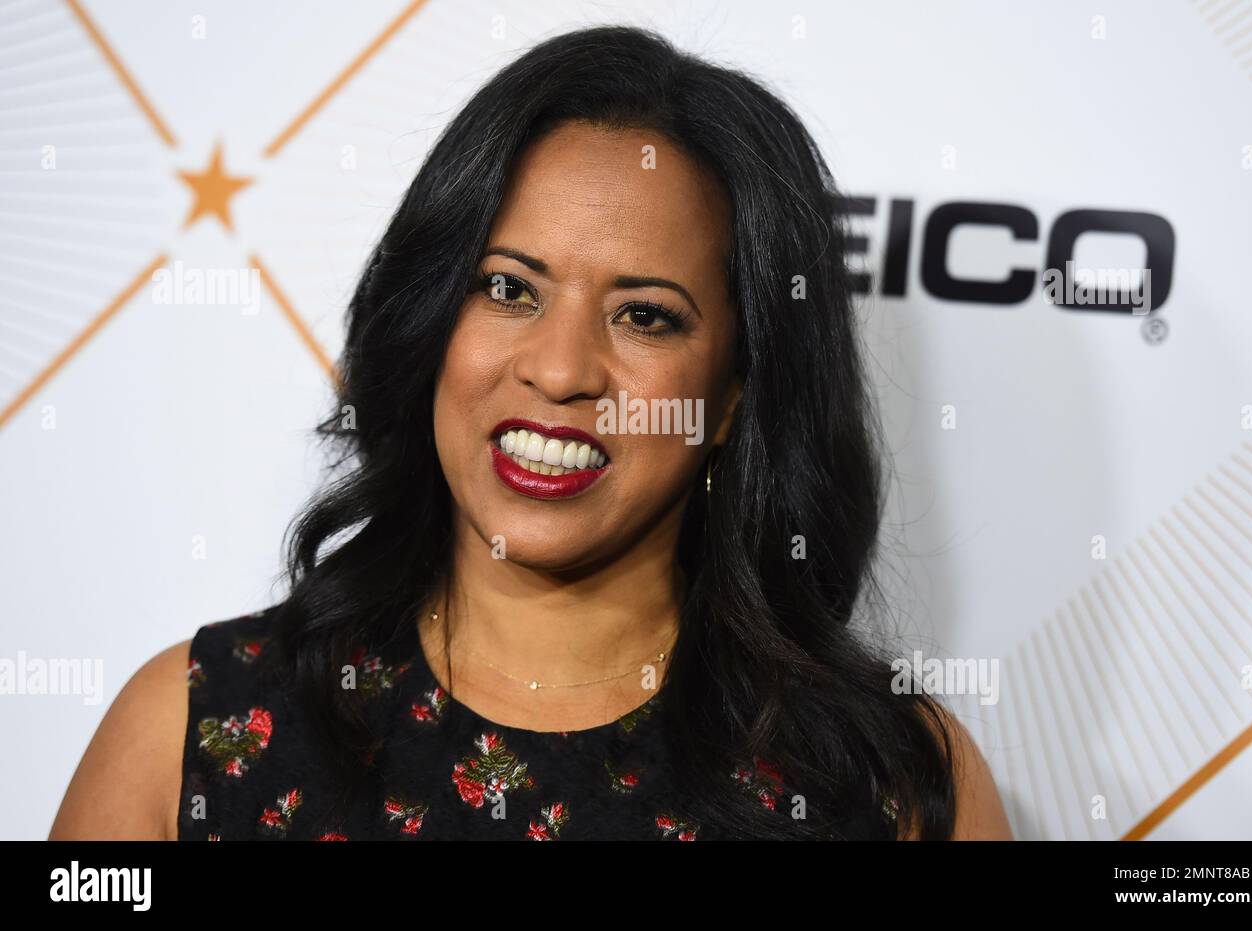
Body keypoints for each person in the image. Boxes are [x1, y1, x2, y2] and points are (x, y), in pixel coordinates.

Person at [50, 24, 1012, 841]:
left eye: (645, 315)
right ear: (432, 322)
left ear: (731, 398)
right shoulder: (192, 727)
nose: (558, 370)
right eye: (507, 288)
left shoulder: (892, 788)